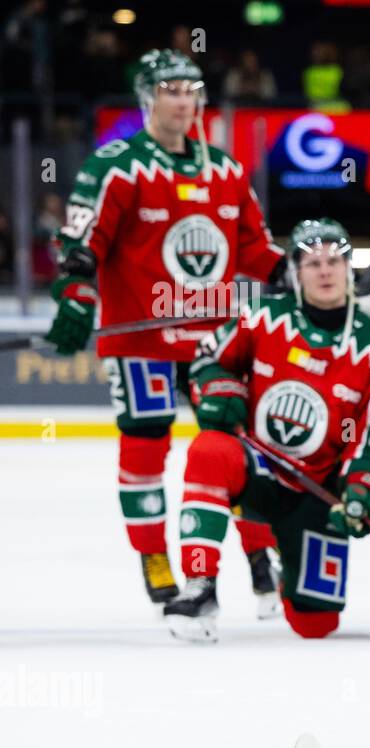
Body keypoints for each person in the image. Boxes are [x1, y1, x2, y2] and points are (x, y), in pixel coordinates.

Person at [44, 49, 285, 611]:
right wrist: (76, 298)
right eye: (170, 90)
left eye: (190, 90)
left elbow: (252, 246)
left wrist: (296, 269)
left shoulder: (224, 170)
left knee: (237, 446)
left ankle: (255, 553)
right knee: (145, 449)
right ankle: (154, 556)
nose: (182, 100)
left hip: (212, 340)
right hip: (142, 340)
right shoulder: (117, 164)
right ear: (148, 99)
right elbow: (81, 243)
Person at [163, 218, 370, 641]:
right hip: (255, 468)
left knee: (316, 624)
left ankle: (290, 563)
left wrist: (362, 489)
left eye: (334, 261)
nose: (325, 271)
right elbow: (206, 359)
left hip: (316, 491)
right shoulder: (259, 317)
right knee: (209, 450)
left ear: (350, 269)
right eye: (313, 263)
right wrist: (219, 391)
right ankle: (200, 585)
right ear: (296, 271)